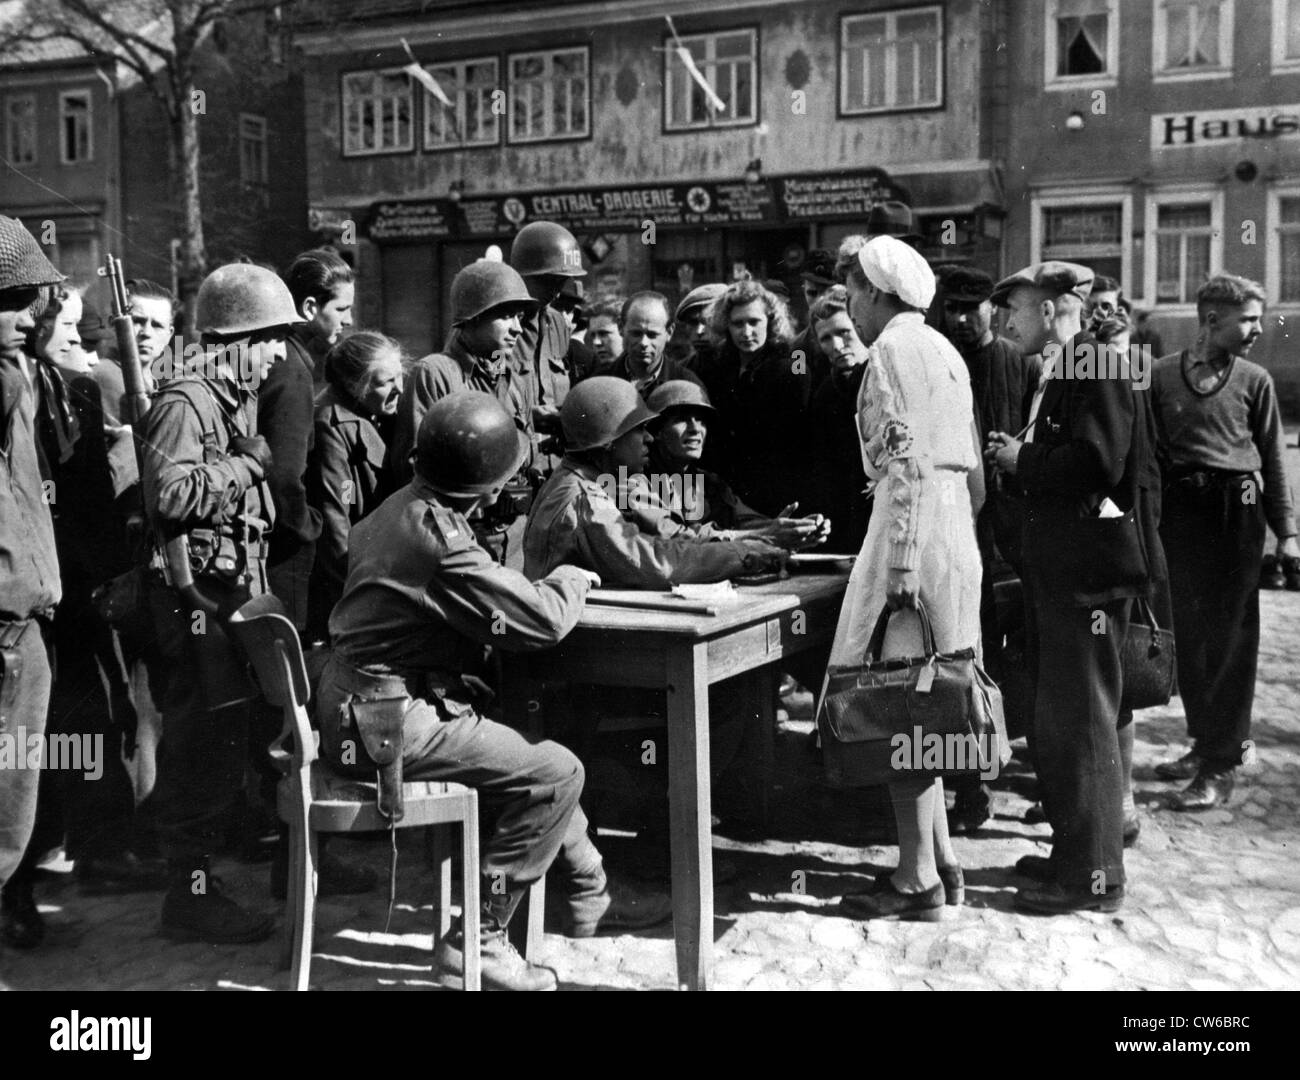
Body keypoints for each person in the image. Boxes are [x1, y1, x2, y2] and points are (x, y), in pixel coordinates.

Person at [318, 391, 670, 991]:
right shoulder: (442, 539)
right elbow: (538, 622)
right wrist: (568, 579)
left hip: (353, 704)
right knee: (556, 771)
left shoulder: (391, 510)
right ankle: (478, 940)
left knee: (529, 746)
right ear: (484, 484)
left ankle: (588, 888)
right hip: (386, 723)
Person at [985, 260, 1156, 915]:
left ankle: (1093, 877)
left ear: (1055, 308)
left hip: (1086, 579)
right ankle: (1074, 854)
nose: (1006, 321)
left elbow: (1098, 463)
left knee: (1084, 724)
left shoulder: (1097, 367)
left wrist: (1018, 460)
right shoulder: (1061, 369)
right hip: (1063, 572)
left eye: (1017, 309)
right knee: (1065, 723)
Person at [140, 263, 298, 943]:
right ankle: (190, 897)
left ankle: (208, 884)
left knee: (223, 745)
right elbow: (169, 496)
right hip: (192, 602)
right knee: (198, 749)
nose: (278, 355)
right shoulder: (186, 402)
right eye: (268, 340)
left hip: (225, 595)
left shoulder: (231, 399)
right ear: (237, 341)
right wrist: (249, 464)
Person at [827, 237, 982, 922]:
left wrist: (899, 569)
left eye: (854, 293)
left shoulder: (890, 352)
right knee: (930, 699)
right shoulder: (945, 350)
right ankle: (943, 863)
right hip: (952, 536)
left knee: (899, 703)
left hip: (912, 538)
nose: (850, 307)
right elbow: (969, 471)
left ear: (877, 292)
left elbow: (909, 465)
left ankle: (915, 878)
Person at [1149, 274, 1297, 810]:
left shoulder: (1255, 380)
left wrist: (1289, 535)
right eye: (1250, 319)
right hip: (1181, 512)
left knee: (1231, 639)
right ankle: (1202, 741)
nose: (1259, 328)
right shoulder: (1161, 376)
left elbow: (1274, 462)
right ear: (1212, 320)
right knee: (1187, 636)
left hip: (1238, 513)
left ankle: (1221, 763)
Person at [939, 266, 1042, 833]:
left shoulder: (1015, 361)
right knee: (965, 654)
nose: (961, 318)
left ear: (992, 309)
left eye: (971, 307)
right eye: (952, 307)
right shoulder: (940, 358)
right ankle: (971, 788)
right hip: (961, 527)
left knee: (1018, 652)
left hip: (1010, 529)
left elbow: (1038, 429)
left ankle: (1034, 771)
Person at [524, 376, 787, 586]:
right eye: (639, 430)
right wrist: (743, 554)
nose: (649, 438)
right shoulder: (587, 500)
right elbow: (657, 560)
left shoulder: (573, 480)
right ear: (608, 443)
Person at [0, 217, 65, 951]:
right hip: (7, 633)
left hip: (23, 630)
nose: (30, 317)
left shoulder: (19, 378)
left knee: (15, 801)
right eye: (11, 301)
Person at [390, 258, 539, 569]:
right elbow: (414, 470)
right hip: (459, 540)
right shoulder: (436, 373)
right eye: (506, 316)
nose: (517, 328)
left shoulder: (515, 378)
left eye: (520, 317)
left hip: (514, 539)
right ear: (473, 317)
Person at [640, 379, 830, 549]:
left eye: (700, 420)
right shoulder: (638, 481)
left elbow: (743, 521)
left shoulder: (709, 483)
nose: (696, 429)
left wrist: (794, 529)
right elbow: (676, 539)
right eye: (682, 419)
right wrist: (767, 534)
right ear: (657, 431)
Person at [305, 331, 402, 642]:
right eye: (386, 382)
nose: (399, 389)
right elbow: (336, 521)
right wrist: (364, 600)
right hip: (348, 587)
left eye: (399, 377)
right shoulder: (331, 426)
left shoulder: (371, 413)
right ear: (354, 384)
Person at [698, 280, 809, 517]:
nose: (746, 332)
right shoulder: (718, 367)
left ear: (770, 320)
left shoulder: (789, 366)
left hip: (772, 496)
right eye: (737, 324)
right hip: (726, 493)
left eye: (754, 322)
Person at [800, 287, 873, 555]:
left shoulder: (884, 378)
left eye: (844, 332)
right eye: (826, 338)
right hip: (847, 526)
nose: (837, 346)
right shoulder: (825, 395)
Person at [510, 220, 585, 467]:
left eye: (562, 280)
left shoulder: (558, 325)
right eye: (548, 280)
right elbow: (480, 398)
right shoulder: (499, 329)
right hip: (513, 466)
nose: (556, 289)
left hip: (555, 468)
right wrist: (529, 417)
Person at [605, 292, 703, 397]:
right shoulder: (601, 382)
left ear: (669, 332)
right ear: (620, 328)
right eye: (636, 333)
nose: (644, 343)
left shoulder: (688, 386)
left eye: (652, 335)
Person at [282, 248, 355, 388]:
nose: (349, 320)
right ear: (309, 308)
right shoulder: (291, 368)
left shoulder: (288, 353)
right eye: (341, 309)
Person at [788, 249, 837, 393]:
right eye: (812, 293)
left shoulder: (860, 337)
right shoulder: (798, 347)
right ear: (804, 291)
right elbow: (796, 390)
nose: (819, 301)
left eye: (828, 292)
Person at [665, 283, 725, 371]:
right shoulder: (680, 373)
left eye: (709, 321)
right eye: (693, 323)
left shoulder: (747, 369)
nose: (699, 331)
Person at [585, 298, 624, 375]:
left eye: (603, 334)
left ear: (623, 329)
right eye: (593, 335)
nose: (596, 342)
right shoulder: (594, 377)